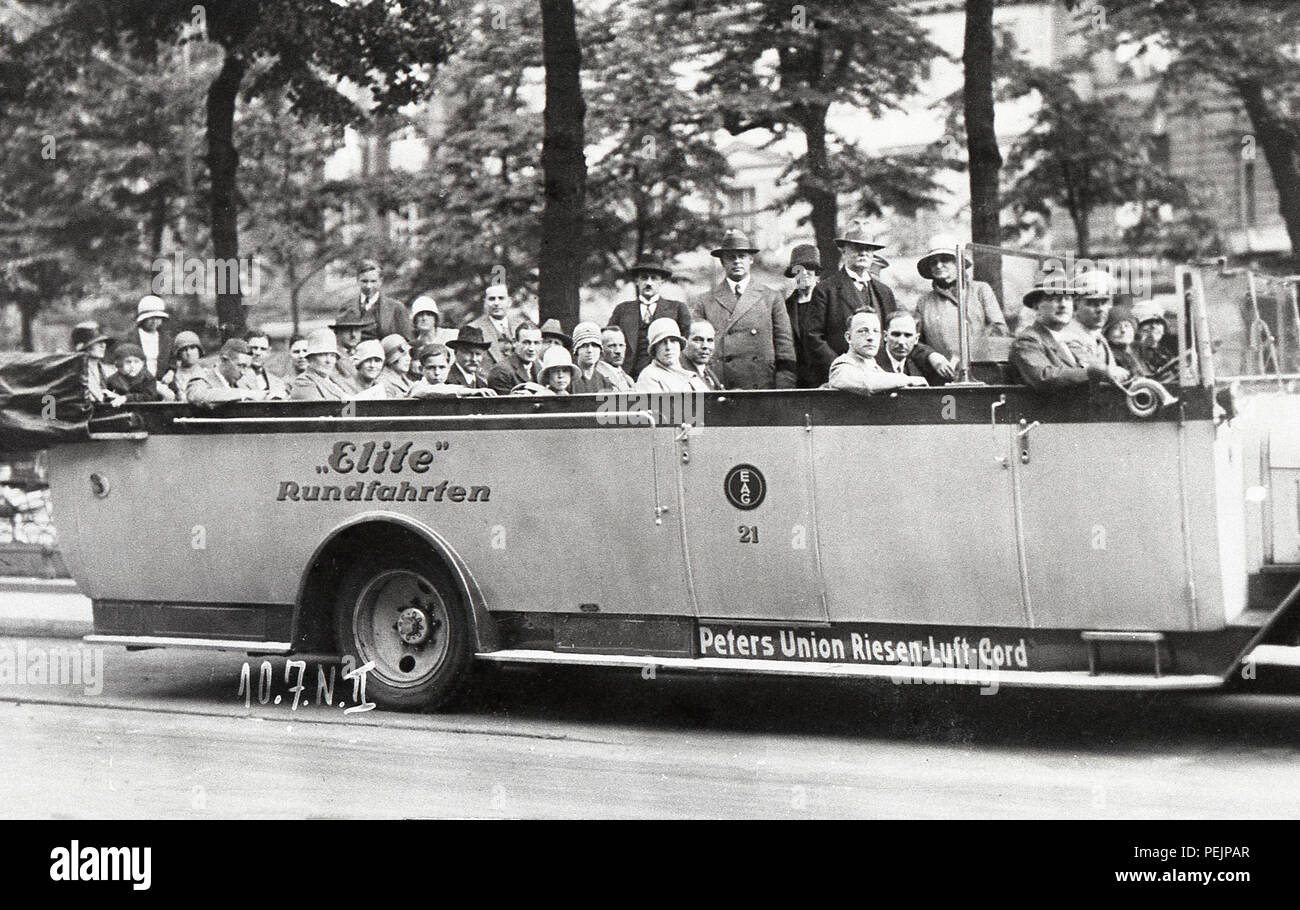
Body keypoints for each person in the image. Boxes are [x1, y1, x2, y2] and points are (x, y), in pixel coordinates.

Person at [691, 229, 797, 389]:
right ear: (722, 262)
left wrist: (783, 389)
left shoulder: (771, 297)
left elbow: (785, 349)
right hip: (719, 386)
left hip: (762, 387)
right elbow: (694, 348)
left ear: (751, 259)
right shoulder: (705, 301)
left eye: (742, 256)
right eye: (731, 257)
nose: (737, 261)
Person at [803, 221, 898, 386]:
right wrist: (841, 368)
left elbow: (892, 333)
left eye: (868, 249)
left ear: (873, 254)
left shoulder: (884, 292)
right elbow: (813, 337)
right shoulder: (826, 289)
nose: (863, 253)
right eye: (856, 247)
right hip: (841, 379)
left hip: (879, 377)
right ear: (844, 251)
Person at [1009, 282, 1129, 391]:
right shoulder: (1028, 341)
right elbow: (1044, 377)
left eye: (1067, 299)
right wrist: (1094, 372)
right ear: (1036, 307)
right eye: (1054, 299)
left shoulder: (1068, 339)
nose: (1063, 305)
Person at [911, 234, 1008, 364]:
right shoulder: (924, 302)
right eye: (933, 262)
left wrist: (968, 356)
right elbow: (915, 341)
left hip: (981, 370)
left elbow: (999, 330)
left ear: (958, 263)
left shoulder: (980, 290)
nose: (939, 265)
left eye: (945, 259)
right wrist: (933, 357)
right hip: (942, 374)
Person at [608, 258, 695, 379]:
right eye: (644, 278)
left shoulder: (677, 309)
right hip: (628, 375)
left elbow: (686, 345)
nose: (649, 283)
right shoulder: (622, 310)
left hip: (666, 374)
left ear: (662, 281)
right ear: (636, 281)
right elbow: (609, 340)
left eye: (654, 278)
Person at [828, 311, 929, 394]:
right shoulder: (841, 366)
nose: (871, 337)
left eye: (875, 331)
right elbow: (867, 383)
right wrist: (907, 379)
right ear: (849, 337)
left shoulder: (876, 368)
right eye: (863, 331)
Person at [1060, 271, 1129, 382]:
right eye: (1092, 303)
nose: (1100, 309)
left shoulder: (1098, 337)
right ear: (1075, 306)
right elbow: (1097, 373)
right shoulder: (1068, 336)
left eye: (1104, 302)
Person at [336, 259, 413, 342]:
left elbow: (407, 340)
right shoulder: (346, 307)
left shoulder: (396, 308)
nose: (369, 286)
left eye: (373, 281)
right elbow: (339, 339)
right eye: (364, 281)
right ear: (357, 280)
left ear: (380, 281)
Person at [875, 311, 950, 386]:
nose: (901, 341)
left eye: (908, 335)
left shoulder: (918, 365)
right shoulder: (873, 363)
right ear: (885, 336)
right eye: (896, 334)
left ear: (916, 339)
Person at [784, 243, 821, 387]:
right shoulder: (786, 307)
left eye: (809, 268)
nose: (804, 273)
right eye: (799, 269)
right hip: (797, 379)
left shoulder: (829, 301)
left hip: (825, 376)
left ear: (816, 272)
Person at [636, 317, 706, 392]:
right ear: (654, 348)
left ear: (679, 345)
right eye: (662, 342)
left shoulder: (689, 374)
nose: (668, 347)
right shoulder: (650, 377)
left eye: (673, 341)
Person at [187, 339, 266, 405]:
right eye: (240, 366)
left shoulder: (241, 383)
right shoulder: (202, 379)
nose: (243, 372)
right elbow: (197, 396)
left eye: (246, 367)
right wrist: (244, 394)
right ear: (224, 360)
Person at [409, 344, 497, 398]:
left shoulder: (448, 387)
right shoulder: (417, 387)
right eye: (431, 368)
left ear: (448, 368)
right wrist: (471, 391)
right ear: (421, 369)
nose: (437, 373)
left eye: (442, 367)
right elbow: (434, 391)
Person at [289, 329, 354, 401]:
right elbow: (321, 409)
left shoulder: (334, 381)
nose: (328, 361)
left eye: (332, 355)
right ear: (310, 358)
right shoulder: (303, 382)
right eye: (322, 355)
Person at [71, 324, 125, 407]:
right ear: (83, 346)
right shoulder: (75, 372)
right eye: (97, 342)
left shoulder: (106, 370)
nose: (103, 345)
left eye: (104, 342)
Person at [465, 283, 517, 365]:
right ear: (485, 303)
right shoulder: (473, 329)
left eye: (501, 298)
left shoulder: (519, 325)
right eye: (492, 299)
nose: (496, 303)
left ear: (509, 302)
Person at [487, 322, 543, 394]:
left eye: (536, 343)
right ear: (514, 342)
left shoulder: (539, 367)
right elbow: (504, 404)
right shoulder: (501, 371)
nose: (531, 348)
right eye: (526, 342)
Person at [570, 322, 619, 394]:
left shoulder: (605, 382)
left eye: (594, 345)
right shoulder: (568, 379)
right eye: (584, 345)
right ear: (576, 350)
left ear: (600, 350)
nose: (590, 350)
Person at [240, 328, 288, 399]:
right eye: (254, 348)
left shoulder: (277, 382)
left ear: (268, 352)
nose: (258, 353)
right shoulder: (237, 378)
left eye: (263, 349)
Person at [133, 295, 172, 378]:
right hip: (139, 382)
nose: (154, 321)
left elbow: (172, 361)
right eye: (151, 318)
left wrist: (170, 373)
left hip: (162, 381)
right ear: (143, 319)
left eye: (158, 318)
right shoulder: (133, 338)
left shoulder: (165, 339)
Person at [1133, 302, 1174, 377]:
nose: (1154, 326)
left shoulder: (1164, 351)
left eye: (1158, 322)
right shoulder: (1132, 352)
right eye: (1148, 322)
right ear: (1137, 329)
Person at [681, 319, 725, 391]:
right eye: (698, 340)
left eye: (710, 340)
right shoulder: (680, 373)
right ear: (684, 342)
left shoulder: (707, 372)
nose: (705, 346)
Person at [1104, 310, 1147, 378]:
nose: (1123, 330)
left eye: (1127, 326)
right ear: (1107, 334)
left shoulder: (1137, 349)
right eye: (1116, 327)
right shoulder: (1108, 354)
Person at [329, 314, 367, 391]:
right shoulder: (331, 357)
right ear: (337, 332)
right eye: (347, 330)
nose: (353, 335)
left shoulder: (364, 353)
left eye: (357, 330)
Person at [164, 331, 205, 399]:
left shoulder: (206, 374)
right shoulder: (171, 377)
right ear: (178, 353)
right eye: (184, 349)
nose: (189, 353)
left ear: (199, 350)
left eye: (192, 348)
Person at [599, 326, 636, 390]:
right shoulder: (598, 376)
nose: (618, 351)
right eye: (612, 346)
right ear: (601, 349)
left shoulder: (628, 379)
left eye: (621, 345)